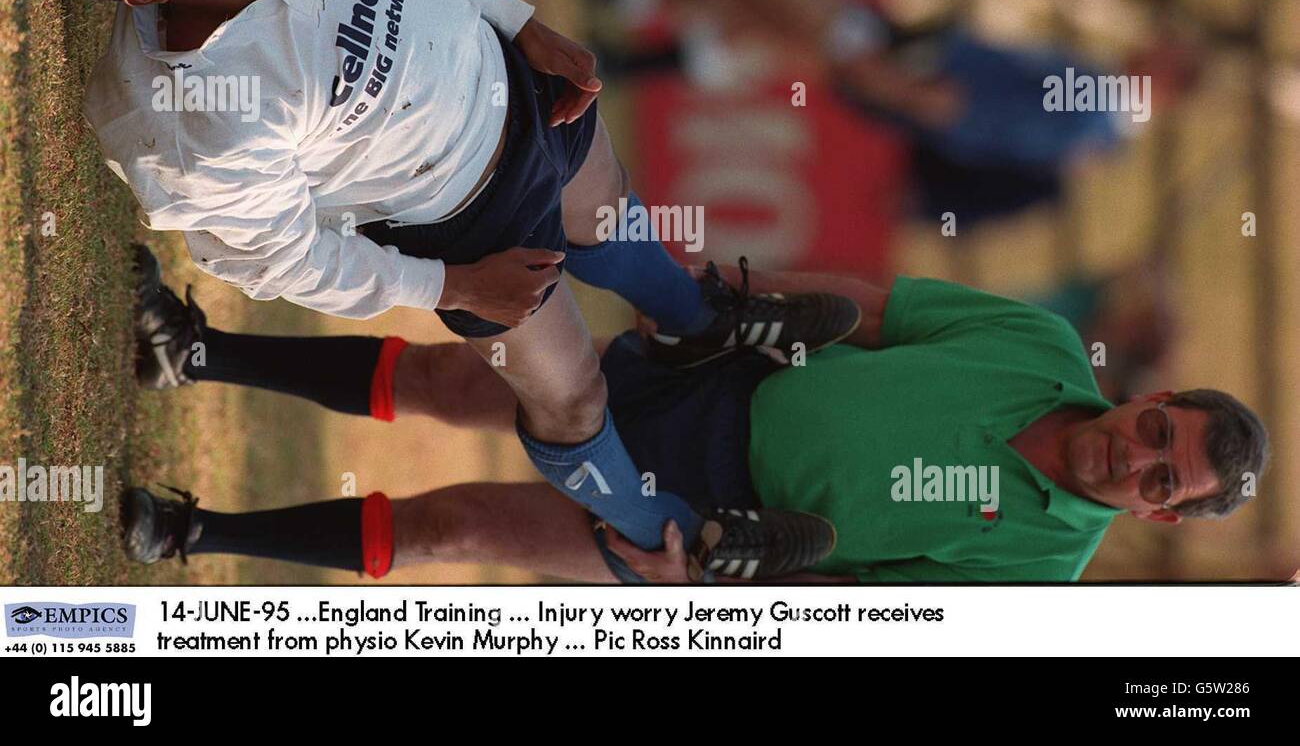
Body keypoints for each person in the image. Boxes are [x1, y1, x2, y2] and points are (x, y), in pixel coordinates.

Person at [59, 0, 863, 579]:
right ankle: (678, 542)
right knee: (573, 398)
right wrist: (455, 287)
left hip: (520, 86)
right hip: (473, 221)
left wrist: (520, 22)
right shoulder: (191, 118)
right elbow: (284, 258)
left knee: (611, 217)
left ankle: (696, 319)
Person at [125, 255, 1269, 583]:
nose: (1137, 458)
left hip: (701, 526)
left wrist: (717, 588)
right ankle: (199, 350)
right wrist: (742, 299)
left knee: (457, 529)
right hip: (716, 383)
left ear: (1158, 518)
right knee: (461, 380)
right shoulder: (1043, 347)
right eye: (1157, 434)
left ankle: (197, 535)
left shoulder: (1037, 577)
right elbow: (872, 312)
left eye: (1159, 483)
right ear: (1156, 399)